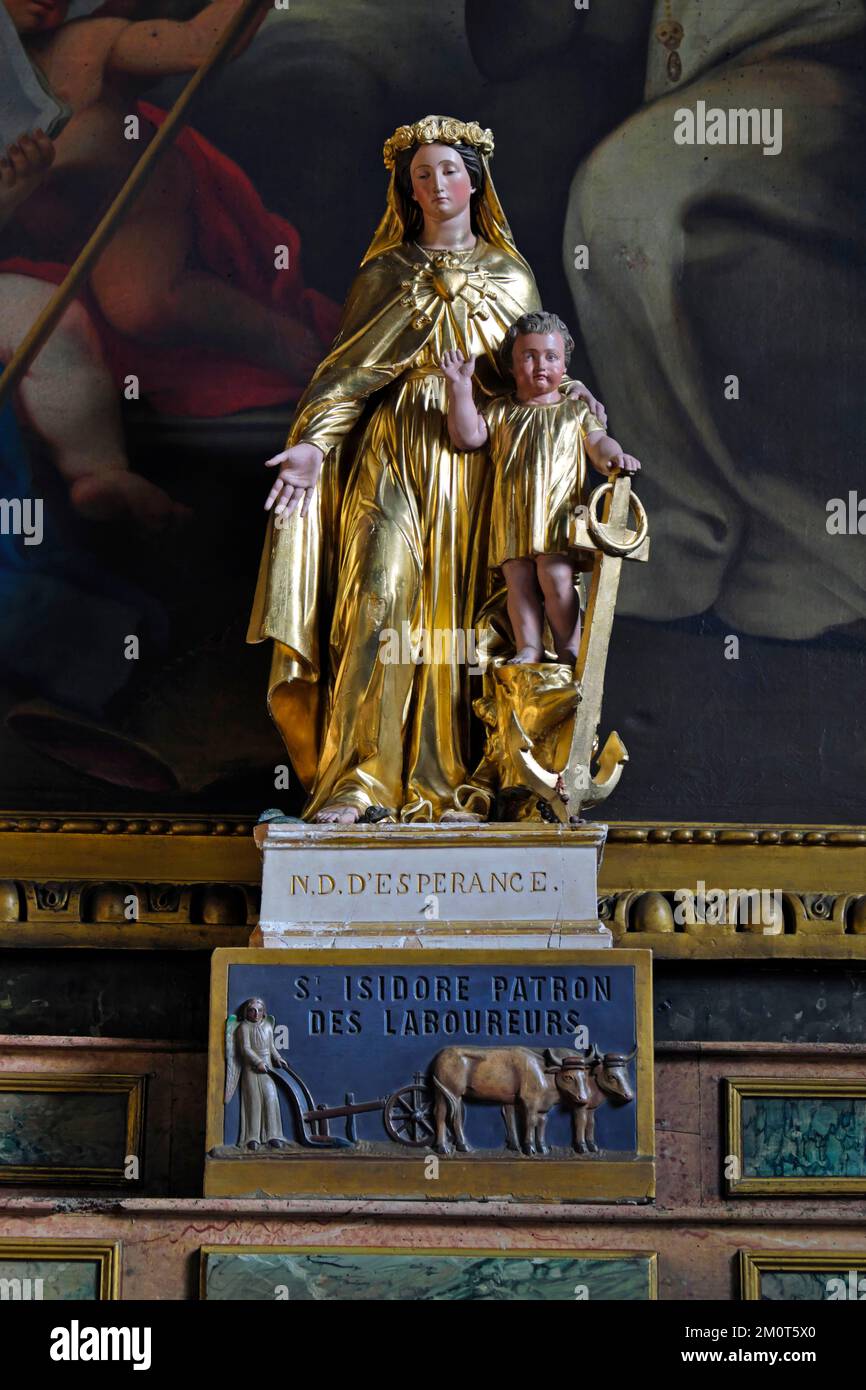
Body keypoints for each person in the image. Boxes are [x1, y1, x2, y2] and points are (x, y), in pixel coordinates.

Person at [248, 115, 606, 824]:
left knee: (469, 623)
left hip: (478, 465)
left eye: (448, 170)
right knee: (376, 599)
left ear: (474, 180)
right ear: (407, 191)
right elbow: (348, 371)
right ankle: (357, 783)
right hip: (392, 455)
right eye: (421, 174)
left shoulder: (511, 275)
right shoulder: (385, 272)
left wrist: (577, 401)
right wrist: (315, 445)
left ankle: (468, 783)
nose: (436, 184)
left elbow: (534, 377)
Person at [441, 311, 641, 665]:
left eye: (550, 356)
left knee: (556, 577)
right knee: (518, 581)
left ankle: (569, 646)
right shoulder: (501, 411)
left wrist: (616, 457)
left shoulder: (576, 411)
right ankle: (529, 646)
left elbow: (598, 444)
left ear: (565, 366)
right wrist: (459, 387)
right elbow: (467, 437)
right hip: (513, 513)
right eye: (528, 356)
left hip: (558, 514)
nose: (540, 365)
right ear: (512, 365)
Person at [225, 997, 292, 1152]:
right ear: (246, 1012)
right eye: (252, 1011)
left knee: (270, 1098)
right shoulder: (243, 1028)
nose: (256, 1014)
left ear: (263, 1012)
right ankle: (252, 1137)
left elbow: (271, 1046)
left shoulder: (268, 1026)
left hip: (268, 1066)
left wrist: (277, 1058)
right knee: (254, 1102)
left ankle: (273, 1134)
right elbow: (245, 1049)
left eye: (259, 1011)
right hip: (252, 1068)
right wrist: (257, 1062)